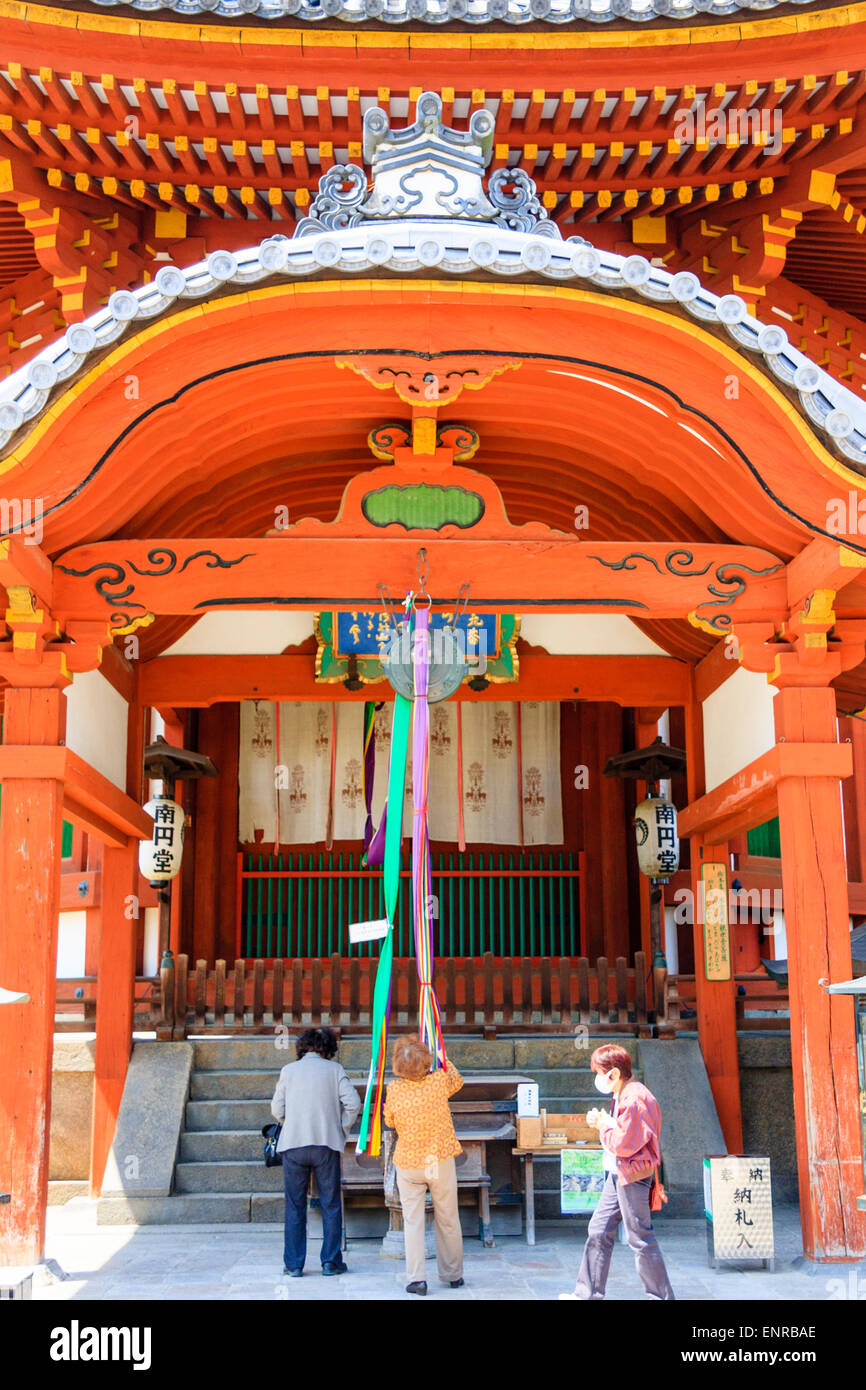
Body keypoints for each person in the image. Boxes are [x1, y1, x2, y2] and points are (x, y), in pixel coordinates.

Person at [560, 1043, 675, 1301]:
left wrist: (602, 1126)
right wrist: (604, 1123)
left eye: (599, 1072)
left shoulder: (634, 1097)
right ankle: (586, 1293)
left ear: (613, 1074)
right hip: (620, 1173)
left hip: (631, 1175)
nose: (597, 1079)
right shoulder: (625, 1093)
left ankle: (660, 1296)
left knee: (640, 1238)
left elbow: (623, 1144)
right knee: (599, 1230)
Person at [271, 1026, 360, 1278]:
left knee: (294, 1205)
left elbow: (277, 1110)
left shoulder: (288, 1071)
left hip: (293, 1145)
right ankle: (330, 1262)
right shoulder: (334, 1070)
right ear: (328, 1048)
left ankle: (294, 1264)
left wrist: (292, 1121)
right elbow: (353, 1104)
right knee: (331, 1204)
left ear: (302, 1046)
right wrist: (340, 1129)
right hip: (325, 1144)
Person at [383, 1036, 465, 1297]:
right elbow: (458, 1080)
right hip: (438, 1160)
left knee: (413, 1221)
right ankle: (452, 1275)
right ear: (426, 1060)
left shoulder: (393, 1089)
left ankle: (417, 1279)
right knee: (448, 1217)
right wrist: (441, 1053)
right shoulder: (439, 1082)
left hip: (408, 1162)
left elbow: (390, 1122)